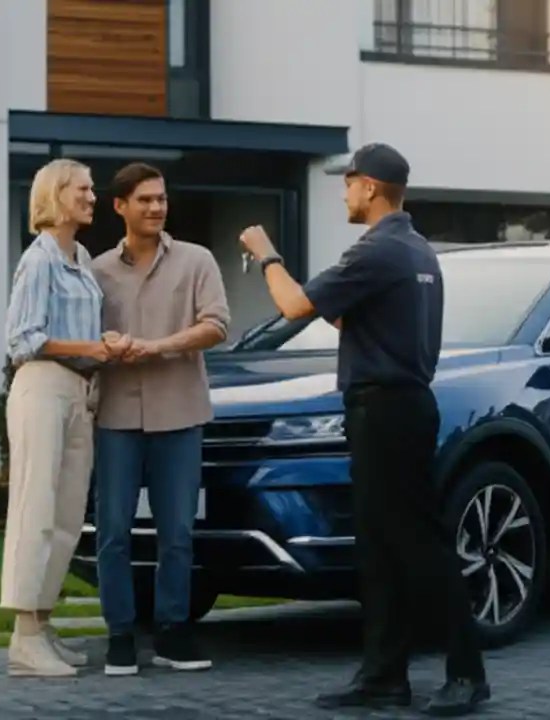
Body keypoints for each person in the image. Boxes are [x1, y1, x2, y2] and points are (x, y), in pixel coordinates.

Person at [238, 143, 490, 715]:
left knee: (416, 544)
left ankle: (467, 675)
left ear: (371, 188)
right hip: (398, 407)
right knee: (380, 549)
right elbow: (348, 313)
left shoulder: (377, 250)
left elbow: (297, 307)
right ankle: (383, 675)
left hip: (386, 411)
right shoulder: (416, 250)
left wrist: (267, 254)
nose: (344, 193)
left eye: (348, 183)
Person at [90, 162, 231, 677]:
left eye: (161, 199)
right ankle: (121, 636)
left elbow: (215, 325)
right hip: (117, 416)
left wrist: (157, 347)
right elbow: (85, 336)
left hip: (180, 414)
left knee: (177, 532)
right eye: (144, 199)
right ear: (119, 206)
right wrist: (104, 344)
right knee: (113, 532)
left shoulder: (197, 261)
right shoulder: (98, 271)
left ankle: (173, 632)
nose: (155, 207)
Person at [1, 158, 133, 677]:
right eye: (83, 188)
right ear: (56, 195)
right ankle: (23, 637)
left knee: (66, 517)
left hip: (80, 393)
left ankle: (41, 624)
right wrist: (94, 347)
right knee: (35, 511)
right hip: (43, 388)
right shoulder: (39, 261)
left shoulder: (78, 257)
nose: (92, 196)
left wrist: (100, 354)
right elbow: (22, 340)